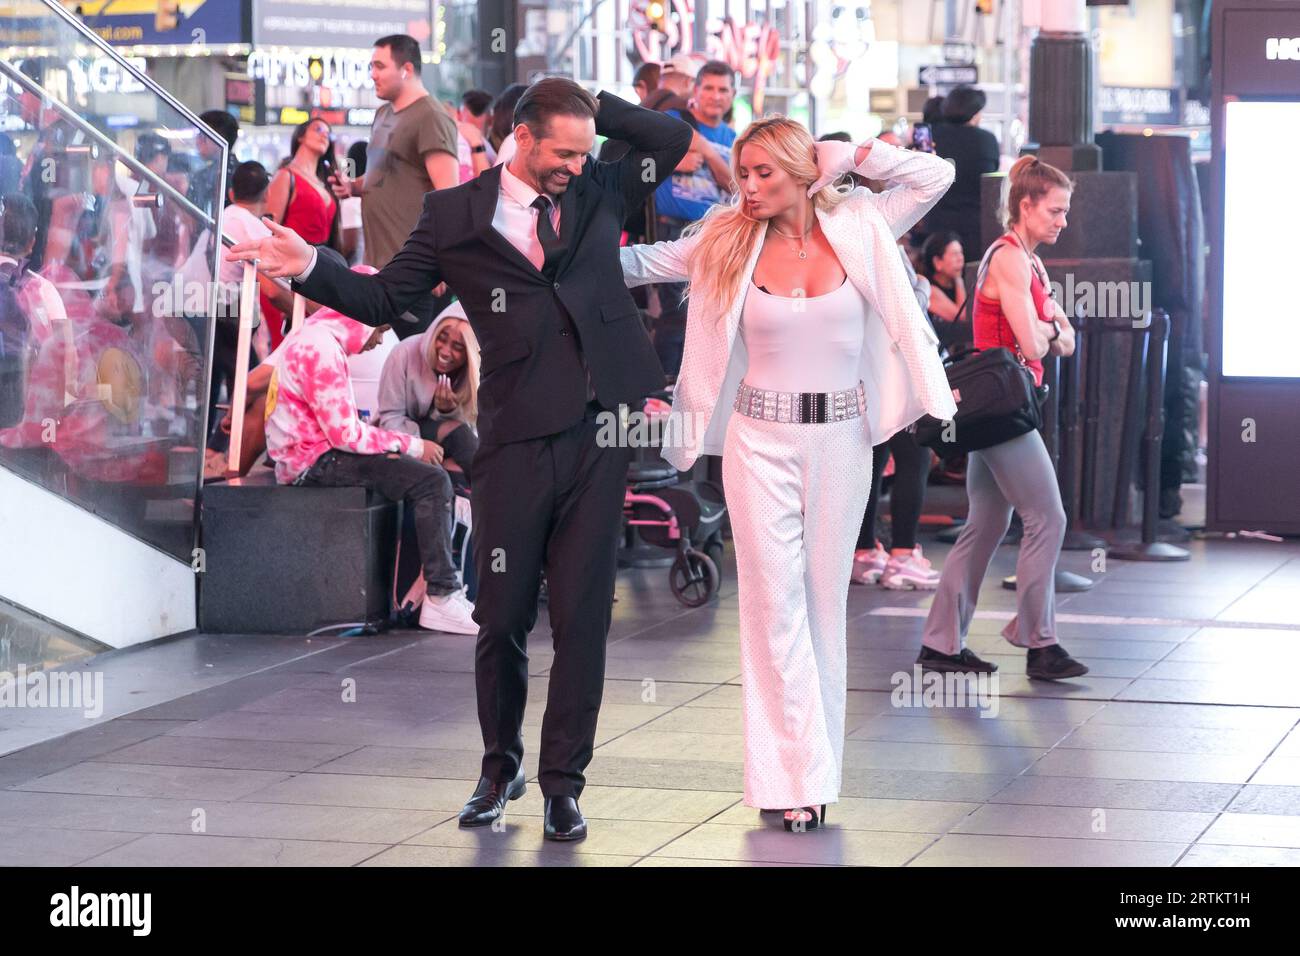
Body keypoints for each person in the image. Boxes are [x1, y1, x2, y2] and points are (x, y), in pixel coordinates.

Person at [228, 77, 693, 843]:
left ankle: (562, 784)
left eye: (585, 151)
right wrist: (308, 263)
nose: (577, 165)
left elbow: (670, 141)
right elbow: (388, 303)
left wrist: (591, 101)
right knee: (502, 616)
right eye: (564, 151)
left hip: (600, 433)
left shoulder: (601, 184)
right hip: (511, 440)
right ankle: (497, 766)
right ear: (523, 138)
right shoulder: (455, 215)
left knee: (581, 622)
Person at [619, 120, 957, 831]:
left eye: (763, 173)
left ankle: (815, 768)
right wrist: (547, 250)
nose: (747, 188)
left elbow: (935, 177)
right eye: (741, 174)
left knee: (821, 605)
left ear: (805, 171)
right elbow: (642, 263)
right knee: (772, 609)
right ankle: (791, 779)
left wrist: (857, 156)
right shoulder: (727, 238)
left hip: (842, 438)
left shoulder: (860, 221)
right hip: (756, 439)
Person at [919, 155, 1089, 682]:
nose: (1063, 220)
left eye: (1066, 211)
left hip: (1003, 406)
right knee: (1048, 518)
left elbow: (1066, 338)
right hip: (1003, 412)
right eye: (1056, 211)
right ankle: (1039, 641)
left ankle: (941, 644)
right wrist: (1046, 330)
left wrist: (1046, 331)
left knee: (987, 522)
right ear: (1025, 206)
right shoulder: (1011, 261)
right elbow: (1039, 338)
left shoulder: (1030, 263)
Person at [260, 279, 475, 635]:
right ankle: (441, 594)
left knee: (427, 476)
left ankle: (442, 590)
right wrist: (412, 446)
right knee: (431, 481)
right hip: (314, 463)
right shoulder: (322, 350)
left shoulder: (317, 340)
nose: (381, 337)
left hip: (312, 456)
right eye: (381, 326)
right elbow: (345, 434)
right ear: (361, 317)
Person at [328, 34, 459, 275]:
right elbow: (385, 176)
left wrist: (441, 260)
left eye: (380, 66)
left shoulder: (431, 116)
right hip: (376, 264)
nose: (372, 74)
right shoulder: (382, 114)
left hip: (413, 267)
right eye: (371, 67)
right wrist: (353, 187)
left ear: (406, 69)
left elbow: (450, 197)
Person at [650, 59, 738, 378]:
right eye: (709, 88)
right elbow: (642, 161)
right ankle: (663, 386)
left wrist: (712, 158)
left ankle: (696, 383)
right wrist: (674, 161)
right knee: (677, 314)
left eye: (723, 89)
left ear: (732, 95)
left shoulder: (734, 137)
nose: (716, 95)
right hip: (673, 228)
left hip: (717, 233)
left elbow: (737, 186)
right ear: (696, 90)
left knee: (710, 314)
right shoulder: (673, 121)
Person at [376, 300, 480, 493]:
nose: (446, 351)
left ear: (469, 353)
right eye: (442, 338)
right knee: (459, 439)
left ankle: (479, 510)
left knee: (458, 461)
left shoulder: (470, 375)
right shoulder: (405, 352)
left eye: (458, 346)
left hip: (445, 444)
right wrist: (419, 448)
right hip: (399, 437)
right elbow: (390, 418)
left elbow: (472, 426)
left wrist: (447, 410)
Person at [263, 119, 341, 348]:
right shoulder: (285, 176)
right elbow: (270, 230)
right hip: (289, 274)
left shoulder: (325, 181)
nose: (324, 135)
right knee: (286, 350)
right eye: (318, 129)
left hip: (320, 272)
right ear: (300, 136)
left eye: (328, 132)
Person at [928, 85, 1000, 261]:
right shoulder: (986, 139)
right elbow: (991, 178)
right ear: (975, 113)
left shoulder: (931, 137)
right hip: (976, 223)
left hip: (936, 222)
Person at [919, 230, 971, 353]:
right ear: (937, 262)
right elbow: (961, 316)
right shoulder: (930, 290)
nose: (960, 259)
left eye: (961, 253)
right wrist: (958, 279)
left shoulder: (958, 285)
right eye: (954, 254)